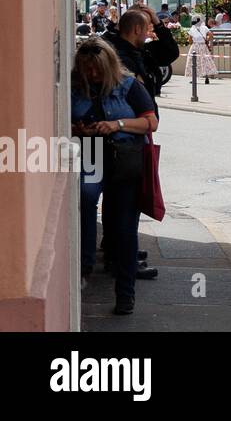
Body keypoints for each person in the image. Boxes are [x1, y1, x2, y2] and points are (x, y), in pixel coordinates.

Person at [71, 38, 159, 316]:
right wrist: (77, 130)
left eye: (96, 69)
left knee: (124, 228)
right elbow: (59, 122)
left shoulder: (129, 85)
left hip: (124, 156)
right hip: (90, 152)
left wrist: (117, 124)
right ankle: (84, 266)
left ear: (108, 66)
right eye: (87, 69)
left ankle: (125, 293)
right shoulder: (75, 86)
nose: (92, 75)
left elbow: (151, 122)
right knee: (85, 200)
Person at [105, 6, 179, 103]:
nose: (148, 33)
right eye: (147, 26)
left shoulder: (143, 50)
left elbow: (172, 52)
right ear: (138, 29)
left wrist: (159, 25)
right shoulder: (109, 51)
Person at [185, 14, 218, 85]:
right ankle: (206, 78)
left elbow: (190, 40)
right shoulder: (204, 27)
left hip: (195, 46)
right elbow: (211, 35)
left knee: (194, 62)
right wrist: (206, 40)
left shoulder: (192, 28)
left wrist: (194, 42)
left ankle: (194, 79)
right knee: (204, 61)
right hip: (203, 46)